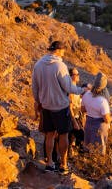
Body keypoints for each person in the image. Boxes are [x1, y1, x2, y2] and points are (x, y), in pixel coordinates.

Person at [31, 40, 88, 175]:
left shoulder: (38, 64)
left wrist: (38, 101)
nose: (63, 54)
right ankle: (63, 164)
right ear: (58, 51)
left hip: (46, 106)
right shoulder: (59, 65)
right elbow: (68, 87)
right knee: (63, 135)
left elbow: (35, 87)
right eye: (63, 51)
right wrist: (82, 90)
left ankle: (49, 163)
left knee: (49, 135)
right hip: (60, 107)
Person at [81, 72, 112, 153]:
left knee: (87, 148)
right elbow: (107, 120)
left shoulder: (86, 94)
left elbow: (83, 110)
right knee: (98, 151)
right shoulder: (103, 101)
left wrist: (91, 109)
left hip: (88, 123)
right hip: (99, 127)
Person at [67, 68, 86, 156]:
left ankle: (73, 155)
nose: (78, 76)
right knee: (77, 136)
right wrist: (74, 122)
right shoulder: (70, 90)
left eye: (78, 74)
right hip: (72, 117)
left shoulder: (76, 89)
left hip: (77, 115)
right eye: (76, 74)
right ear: (70, 76)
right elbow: (69, 107)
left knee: (75, 137)